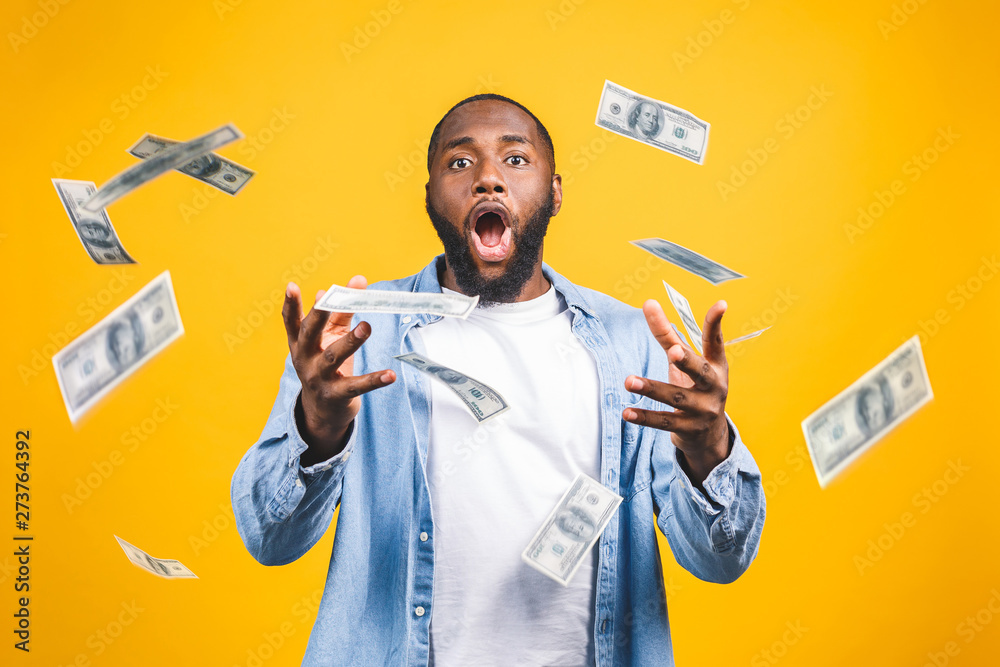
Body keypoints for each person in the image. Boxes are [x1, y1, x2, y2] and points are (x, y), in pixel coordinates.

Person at [232, 93, 765, 666]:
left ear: (555, 192)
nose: (488, 179)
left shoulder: (635, 341)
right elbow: (270, 539)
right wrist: (316, 431)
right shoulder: (356, 338)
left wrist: (709, 450)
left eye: (515, 159)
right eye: (460, 163)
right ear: (431, 196)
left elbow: (720, 561)